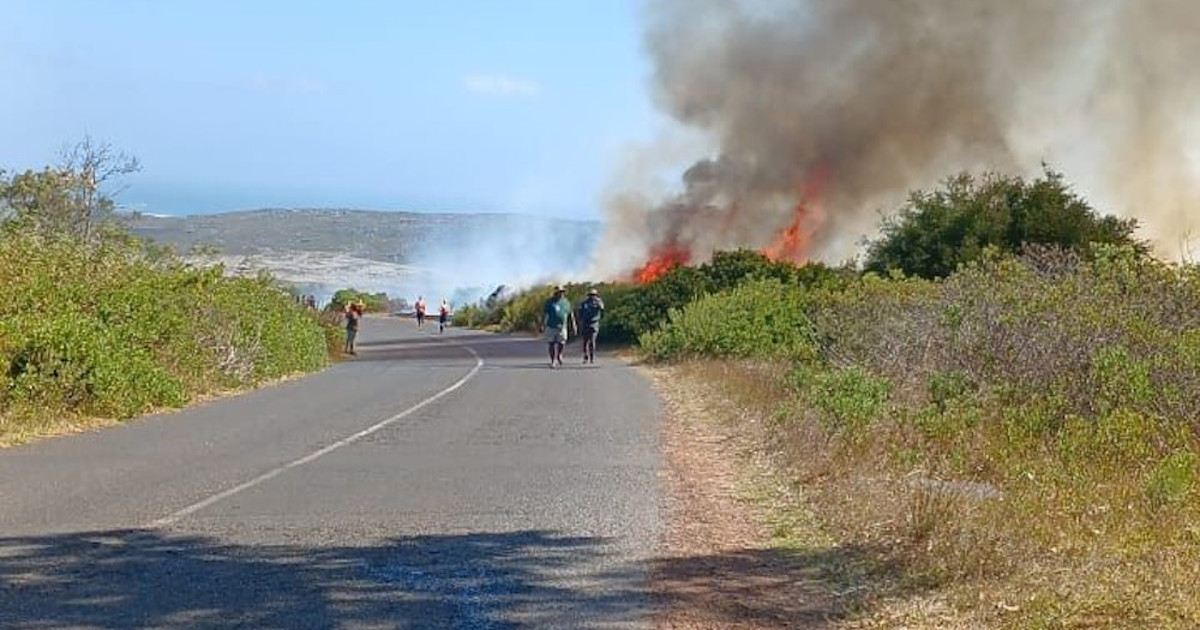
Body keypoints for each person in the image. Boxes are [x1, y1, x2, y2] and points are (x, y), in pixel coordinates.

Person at [541, 285, 577, 368]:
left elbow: (571, 314)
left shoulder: (566, 302)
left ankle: (559, 355)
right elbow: (544, 314)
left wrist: (574, 325)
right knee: (551, 343)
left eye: (562, 292)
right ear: (555, 293)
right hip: (551, 326)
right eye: (559, 292)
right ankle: (553, 360)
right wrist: (542, 325)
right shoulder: (549, 302)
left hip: (562, 326)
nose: (561, 294)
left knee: (562, 342)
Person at [578, 287, 605, 364]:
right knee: (585, 341)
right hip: (585, 323)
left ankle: (592, 356)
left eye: (594, 295)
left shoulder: (598, 302)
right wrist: (580, 321)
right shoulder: (584, 303)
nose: (592, 296)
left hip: (594, 323)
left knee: (592, 341)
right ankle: (585, 356)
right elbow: (580, 313)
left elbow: (602, 309)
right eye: (591, 295)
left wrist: (598, 302)